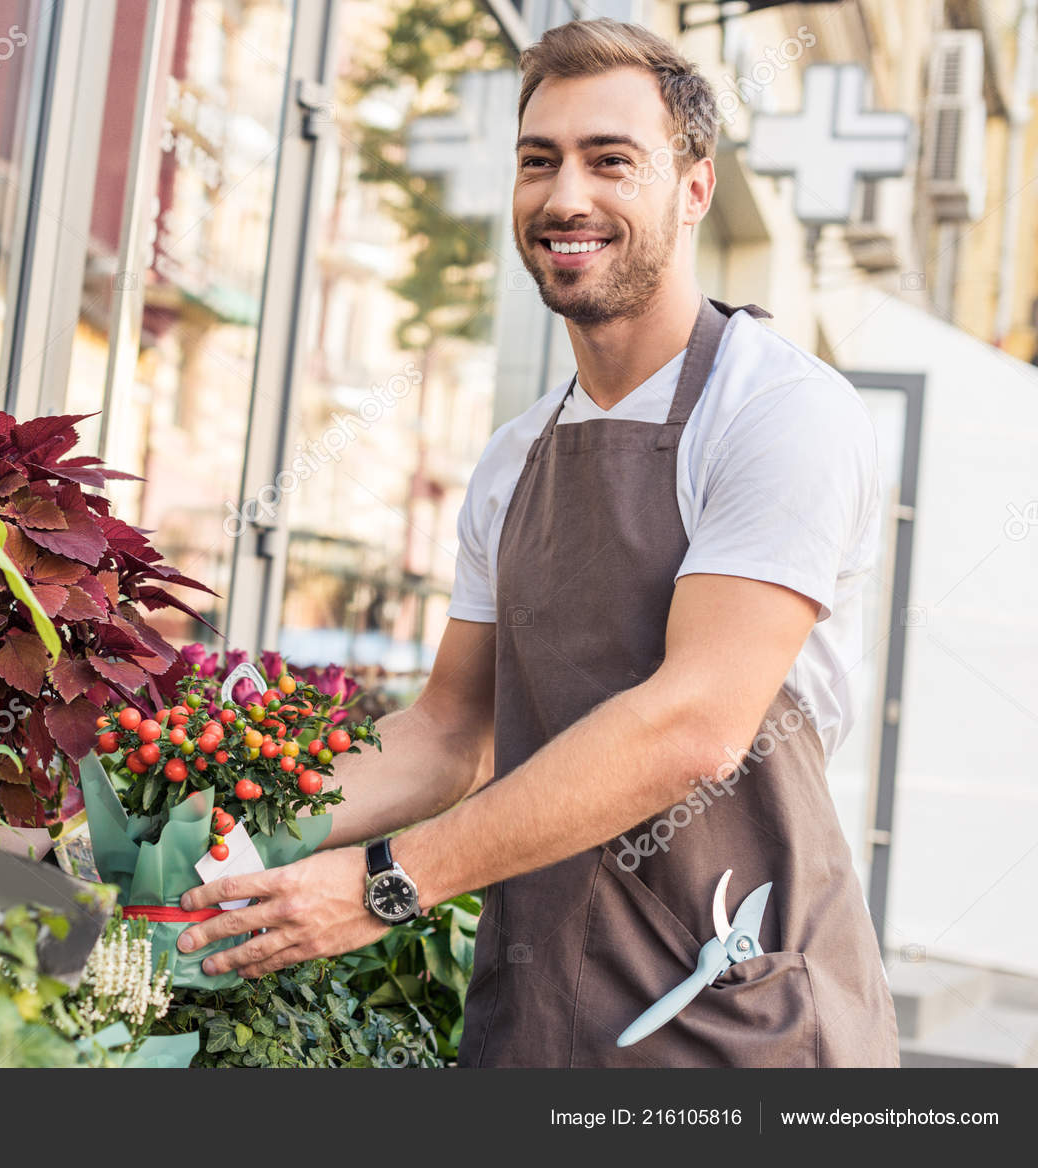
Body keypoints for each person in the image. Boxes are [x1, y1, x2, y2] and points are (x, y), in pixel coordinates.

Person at [177, 18, 899, 1067]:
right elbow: (445, 734)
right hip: (543, 1023)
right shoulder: (515, 458)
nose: (566, 197)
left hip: (744, 1026)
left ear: (694, 188)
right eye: (537, 161)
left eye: (612, 161)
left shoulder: (777, 412)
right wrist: (216, 822)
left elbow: (693, 723)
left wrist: (390, 880)